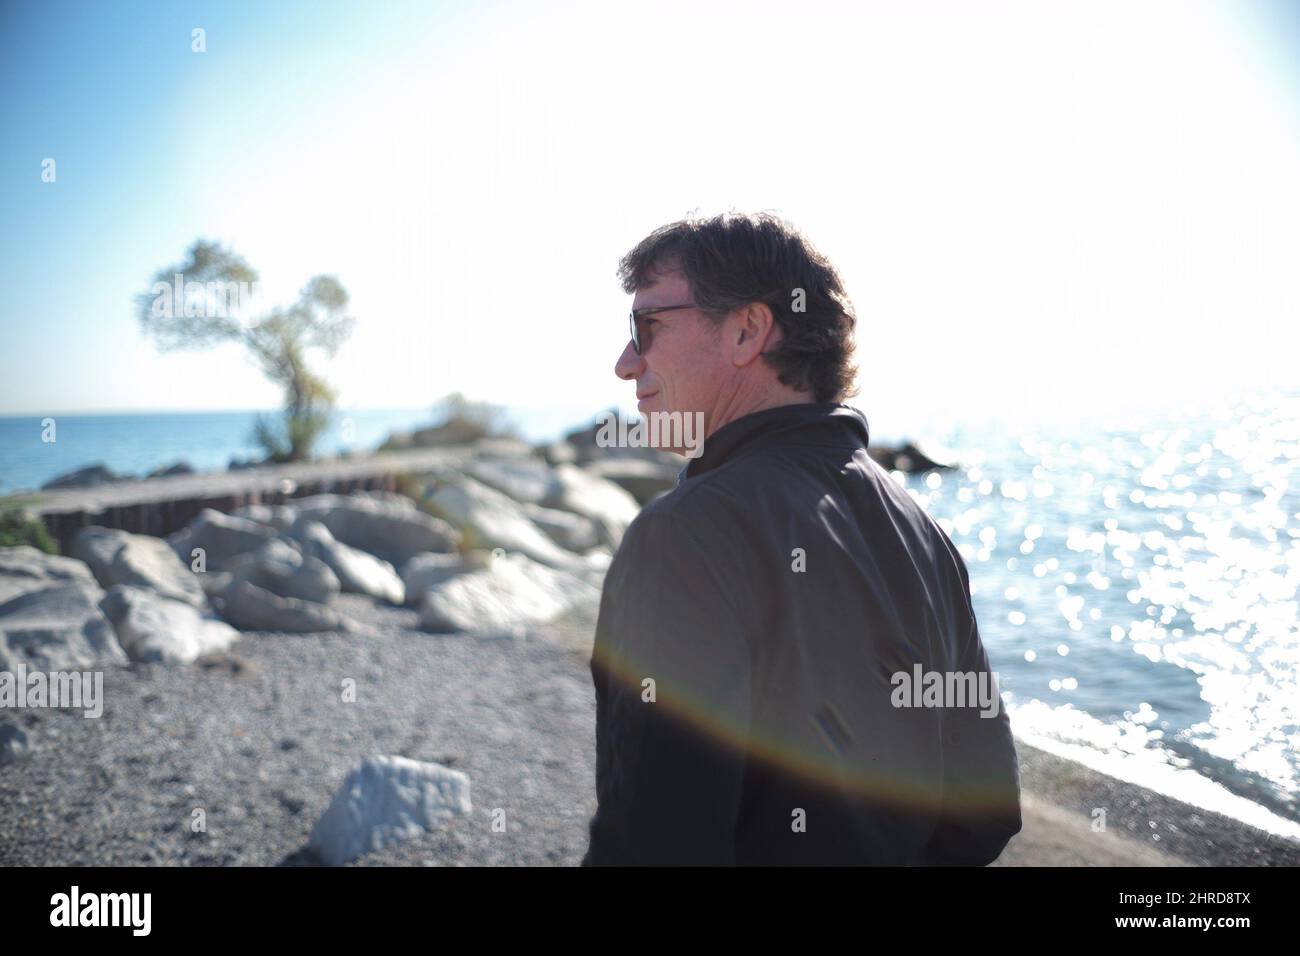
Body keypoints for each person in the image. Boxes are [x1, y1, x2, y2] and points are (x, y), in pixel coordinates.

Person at [581, 212, 1021, 865]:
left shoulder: (686, 534)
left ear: (748, 330)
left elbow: (655, 844)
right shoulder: (921, 528)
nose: (625, 364)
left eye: (647, 327)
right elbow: (985, 814)